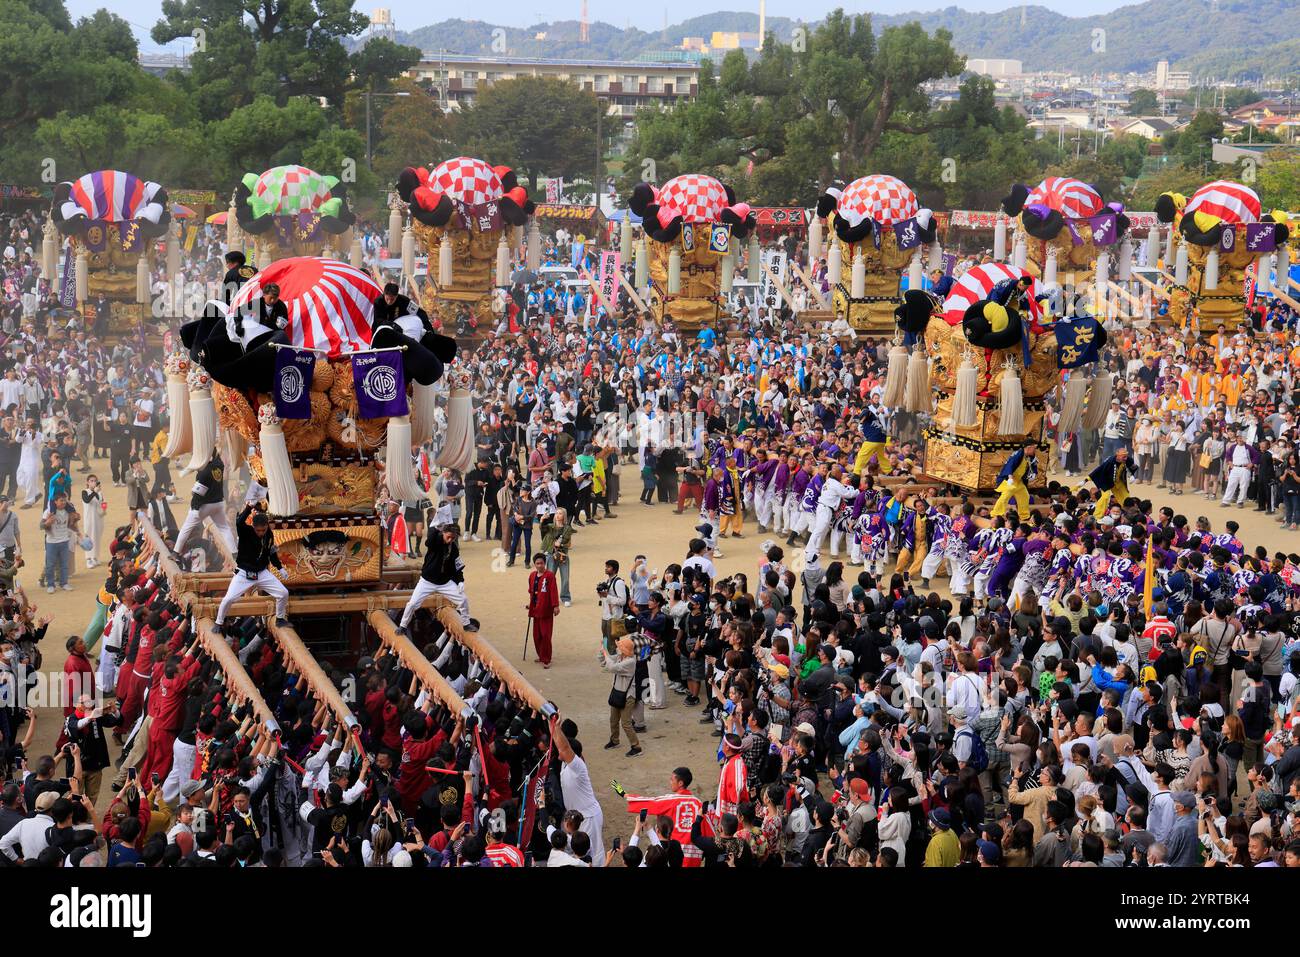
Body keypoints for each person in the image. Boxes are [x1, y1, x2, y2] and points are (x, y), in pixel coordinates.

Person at [213, 503, 288, 635]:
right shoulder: (245, 531)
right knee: (228, 599)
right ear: (253, 527)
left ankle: (280, 618)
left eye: (263, 530)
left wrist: (279, 568)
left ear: (266, 527)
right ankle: (219, 622)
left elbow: (271, 552)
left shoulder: (269, 534)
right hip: (244, 573)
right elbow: (239, 521)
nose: (260, 533)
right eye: (258, 530)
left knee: (283, 593)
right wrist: (248, 508)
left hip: (262, 573)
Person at [396, 522, 472, 632]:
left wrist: (460, 581)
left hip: (445, 583)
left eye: (453, 538)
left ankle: (466, 623)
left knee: (463, 599)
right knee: (412, 604)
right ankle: (403, 626)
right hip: (427, 582)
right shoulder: (436, 541)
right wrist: (436, 529)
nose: (450, 540)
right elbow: (429, 542)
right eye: (448, 537)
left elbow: (457, 567)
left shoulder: (454, 549)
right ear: (443, 533)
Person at [173, 449, 236, 557]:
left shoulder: (203, 474)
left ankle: (175, 552)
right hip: (219, 504)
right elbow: (215, 455)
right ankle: (234, 552)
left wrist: (194, 508)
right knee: (224, 528)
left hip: (205, 505)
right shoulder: (219, 464)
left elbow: (198, 495)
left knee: (186, 527)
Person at [602, 636, 641, 757]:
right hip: (618, 693)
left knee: (626, 723)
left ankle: (636, 746)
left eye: (620, 647)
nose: (618, 649)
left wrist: (605, 654)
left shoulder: (630, 662)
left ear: (624, 650)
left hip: (628, 696)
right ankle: (614, 740)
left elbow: (612, 667)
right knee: (613, 720)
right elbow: (604, 662)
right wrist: (602, 652)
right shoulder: (620, 657)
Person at [526, 553, 560, 668]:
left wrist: (555, 605)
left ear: (545, 563)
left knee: (546, 635)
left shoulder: (550, 576)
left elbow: (553, 591)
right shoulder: (532, 575)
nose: (539, 565)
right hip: (535, 610)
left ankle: (546, 659)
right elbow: (531, 591)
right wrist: (530, 604)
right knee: (537, 635)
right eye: (537, 563)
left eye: (541, 563)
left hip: (546, 610)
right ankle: (541, 655)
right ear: (534, 564)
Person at [40, 489, 78, 593]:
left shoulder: (68, 511)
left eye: (64, 500)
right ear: (55, 501)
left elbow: (72, 525)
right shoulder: (48, 512)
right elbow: (41, 526)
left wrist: (76, 520)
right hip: (52, 542)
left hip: (64, 541)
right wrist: (47, 522)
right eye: (61, 500)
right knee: (50, 565)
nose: (63, 503)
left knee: (64, 564)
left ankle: (64, 583)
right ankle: (50, 585)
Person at [991, 441, 1039, 517]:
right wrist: (1010, 478)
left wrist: (1034, 474)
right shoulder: (1018, 454)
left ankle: (1024, 516)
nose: (1035, 450)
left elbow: (1034, 464)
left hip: (1019, 481)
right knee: (1005, 496)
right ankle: (995, 515)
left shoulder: (1030, 456)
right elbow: (1010, 465)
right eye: (1034, 448)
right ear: (1029, 448)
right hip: (1010, 479)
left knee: (1025, 496)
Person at [1089, 446, 1137, 519]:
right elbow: (1097, 471)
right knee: (1105, 498)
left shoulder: (1128, 459)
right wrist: (1085, 480)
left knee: (1126, 499)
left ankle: (1130, 515)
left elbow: (1133, 466)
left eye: (1126, 456)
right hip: (1107, 483)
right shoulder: (1110, 462)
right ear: (1117, 455)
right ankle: (1097, 517)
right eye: (1123, 456)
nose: (1126, 458)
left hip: (1119, 483)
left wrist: (1132, 475)